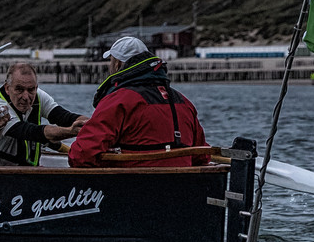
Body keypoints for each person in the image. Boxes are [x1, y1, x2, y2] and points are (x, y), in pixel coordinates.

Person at [69, 36, 210, 168]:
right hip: (183, 184)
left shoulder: (118, 101)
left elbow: (81, 155)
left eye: (111, 61)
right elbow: (202, 156)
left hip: (135, 185)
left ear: (117, 64)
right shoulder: (183, 102)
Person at [0, 62, 87, 166]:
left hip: (15, 173)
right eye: (19, 89)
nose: (26, 97)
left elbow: (64, 117)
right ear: (7, 88)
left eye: (31, 90)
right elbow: (35, 133)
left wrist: (92, 124)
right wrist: (72, 131)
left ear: (36, 87)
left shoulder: (39, 96)